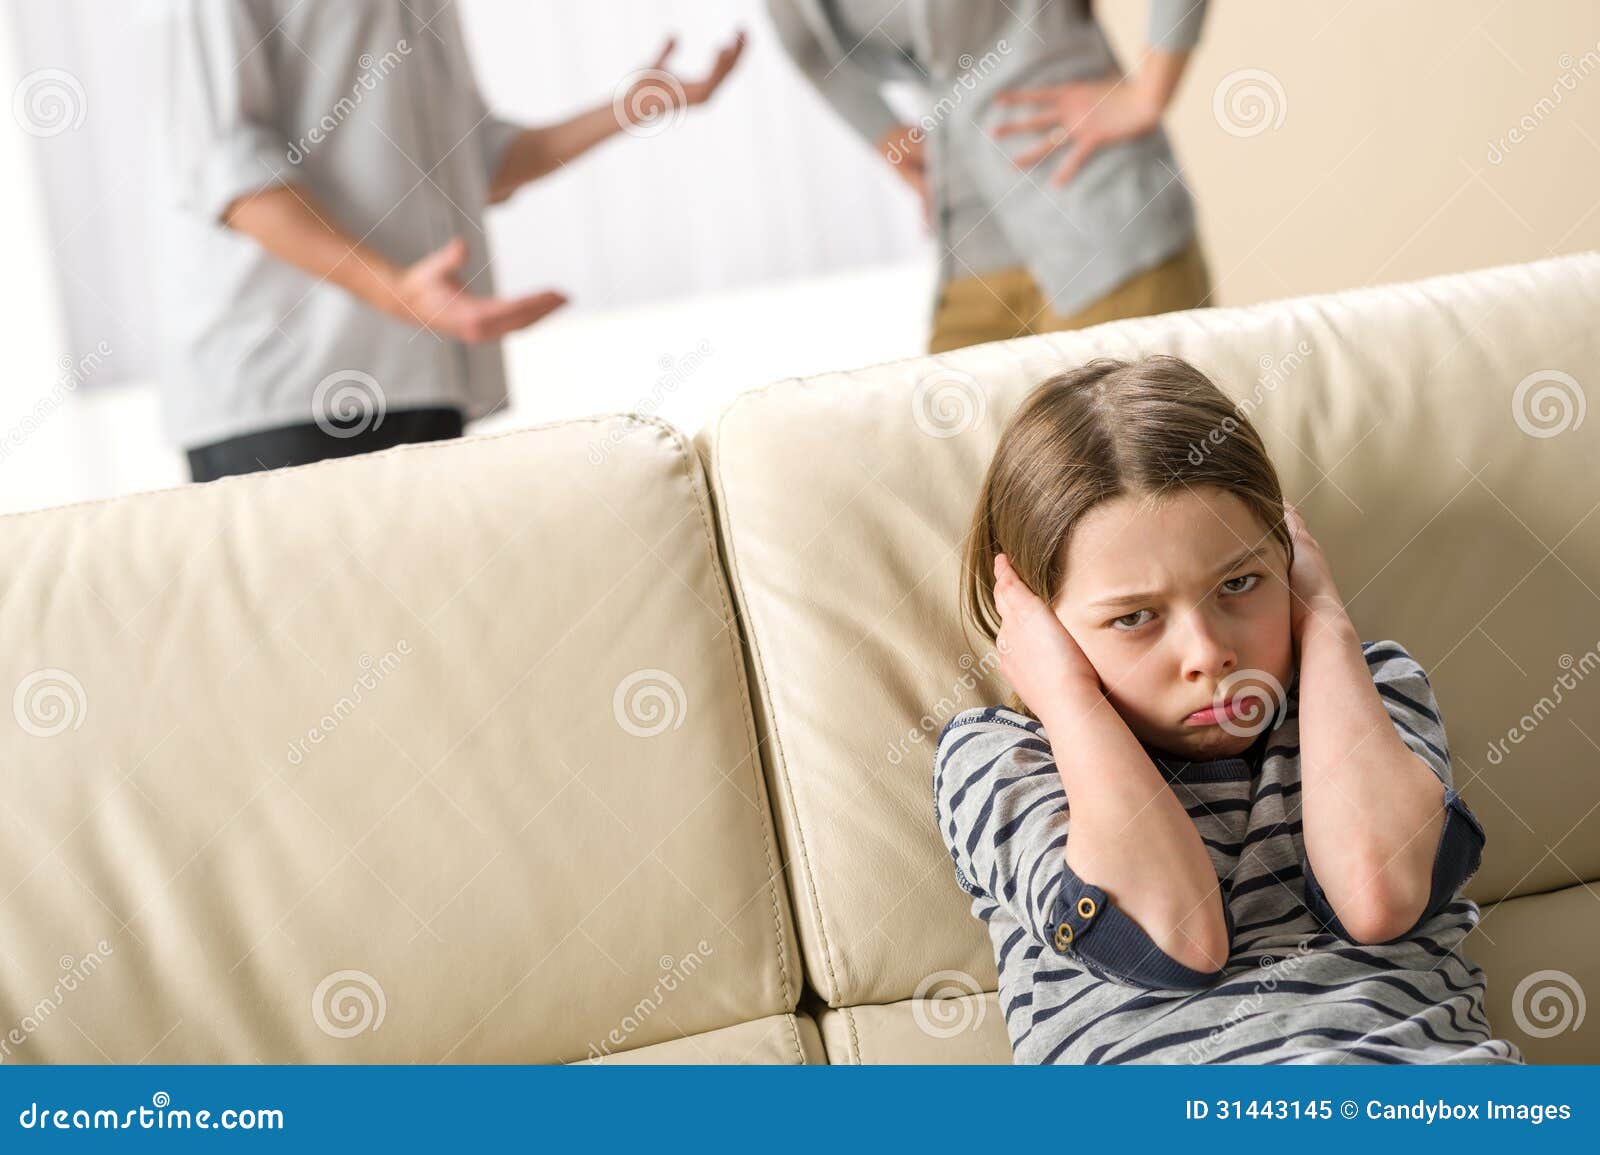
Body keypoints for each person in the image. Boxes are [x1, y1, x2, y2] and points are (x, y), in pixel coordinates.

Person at [933, 355, 1523, 1065]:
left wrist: (1327, 626)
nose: (1208, 652)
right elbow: (1177, 939)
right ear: (1039, 629)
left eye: (1240, 581)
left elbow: (1381, 894)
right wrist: (1067, 699)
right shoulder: (1003, 759)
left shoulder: (1369, 687)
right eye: (1134, 618)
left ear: (1290, 564)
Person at [160, 1, 744, 482]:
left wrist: (633, 106)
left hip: (418, 377)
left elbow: (470, 162)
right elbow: (229, 175)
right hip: (284, 395)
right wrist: (396, 291)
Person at [767, 1, 1212, 353]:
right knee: (945, 450)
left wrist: (1148, 94)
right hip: (971, 246)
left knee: (1132, 464)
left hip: (1097, 217)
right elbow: (804, 42)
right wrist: (888, 138)